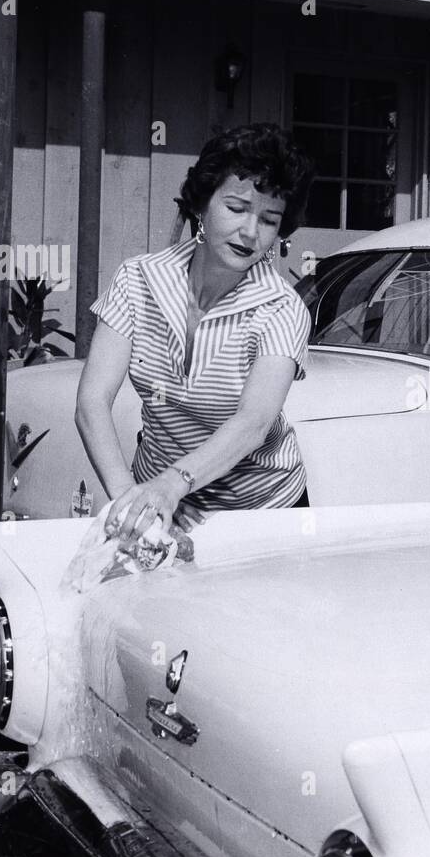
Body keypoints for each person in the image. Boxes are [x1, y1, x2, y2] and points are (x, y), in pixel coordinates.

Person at [76, 123, 315, 548]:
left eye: (269, 220)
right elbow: (92, 401)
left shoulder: (282, 308)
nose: (250, 231)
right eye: (237, 207)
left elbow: (253, 424)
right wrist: (132, 501)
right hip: (159, 500)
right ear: (202, 203)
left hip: (260, 510)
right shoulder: (138, 278)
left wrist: (174, 484)